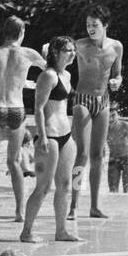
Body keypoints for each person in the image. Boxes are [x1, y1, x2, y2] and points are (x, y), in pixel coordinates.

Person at [0, 16, 45, 227]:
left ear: (4, 32)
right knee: (14, 161)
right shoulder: (28, 54)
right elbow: (51, 71)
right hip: (16, 109)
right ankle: (20, 211)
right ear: (22, 32)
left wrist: (20, 81)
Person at [20, 36, 80, 243]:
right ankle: (26, 231)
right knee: (43, 187)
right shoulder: (48, 76)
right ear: (56, 53)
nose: (73, 53)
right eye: (68, 50)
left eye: (73, 50)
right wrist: (42, 136)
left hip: (66, 135)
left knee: (64, 185)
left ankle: (61, 231)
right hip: (50, 135)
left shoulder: (67, 75)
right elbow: (38, 108)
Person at [70, 5, 124, 219]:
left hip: (104, 103)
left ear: (105, 26)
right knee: (82, 153)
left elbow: (118, 75)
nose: (90, 28)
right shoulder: (80, 45)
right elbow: (58, 53)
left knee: (98, 155)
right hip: (82, 100)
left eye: (95, 25)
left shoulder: (116, 47)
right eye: (88, 25)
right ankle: (73, 205)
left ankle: (94, 206)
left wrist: (116, 82)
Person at [107, 108, 128, 193]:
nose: (111, 118)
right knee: (112, 190)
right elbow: (101, 146)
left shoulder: (125, 125)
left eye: (113, 115)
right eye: (109, 116)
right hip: (113, 159)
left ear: (118, 116)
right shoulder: (105, 129)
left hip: (127, 158)